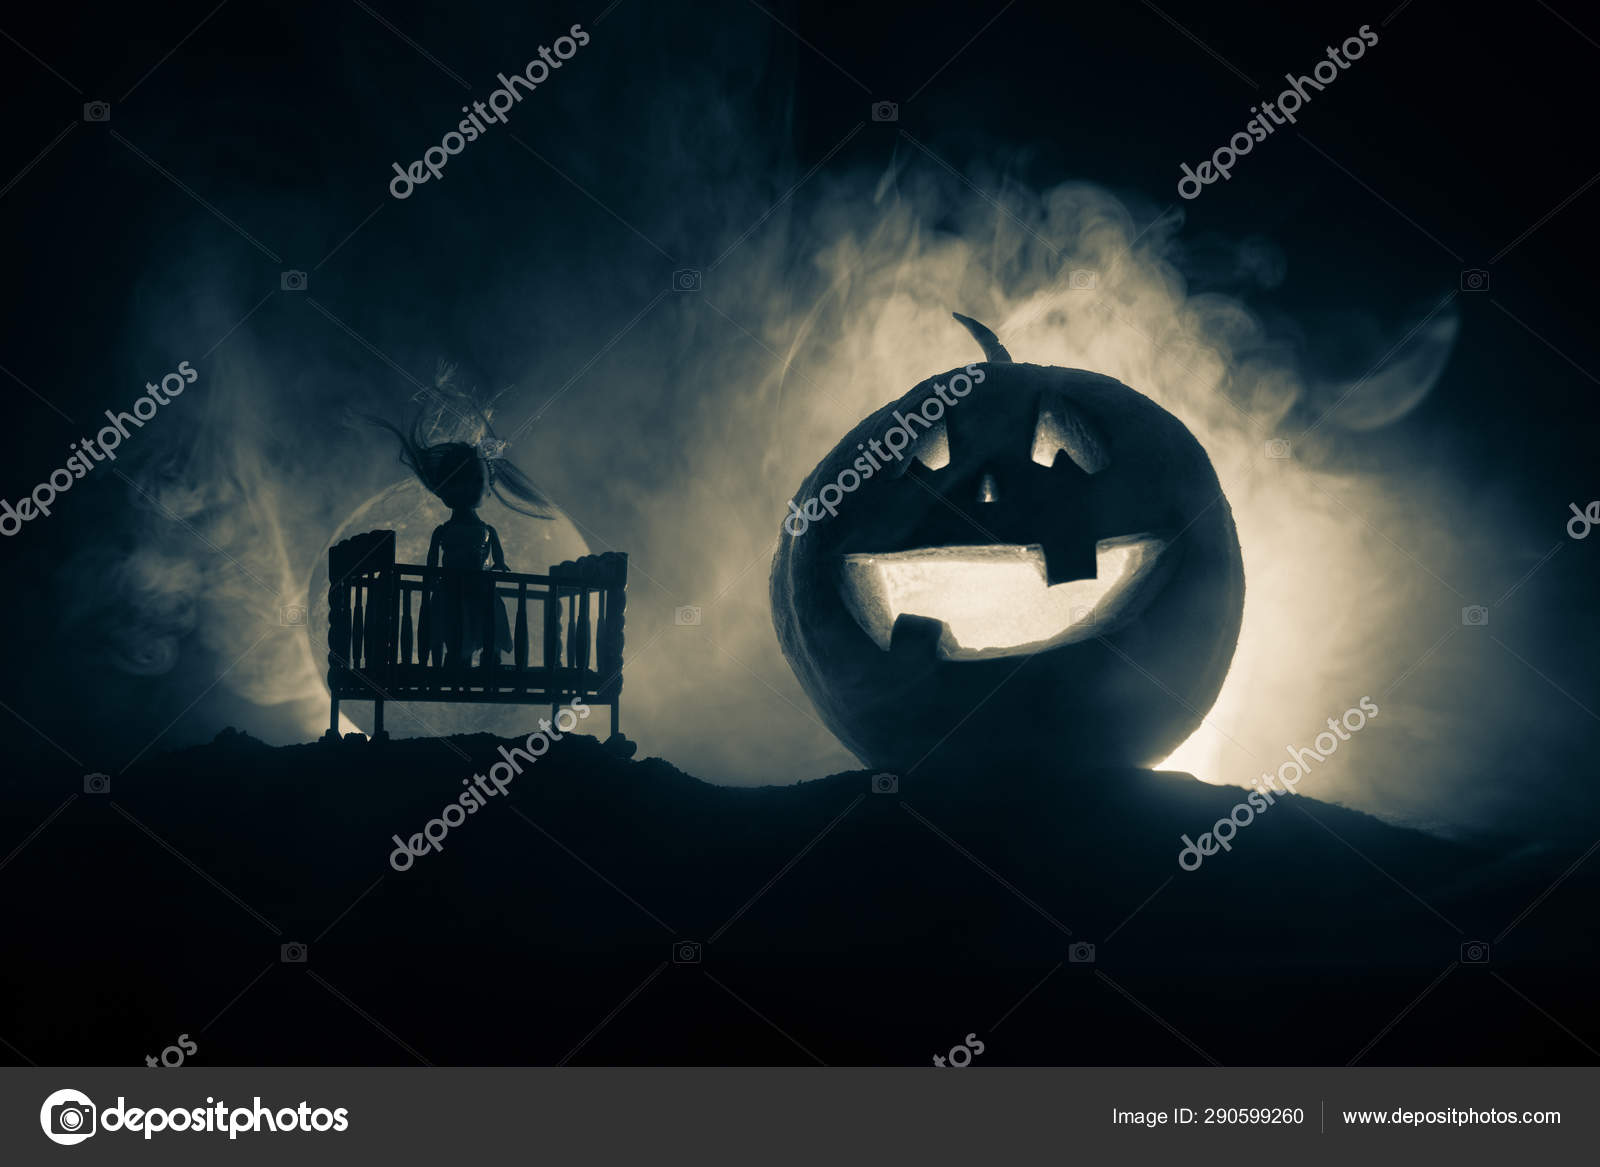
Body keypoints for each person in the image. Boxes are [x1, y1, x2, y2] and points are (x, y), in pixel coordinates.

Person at [367, 408, 554, 666]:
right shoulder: (444, 531)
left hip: (479, 586)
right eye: (459, 481)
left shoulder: (487, 530)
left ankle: (492, 655)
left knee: (490, 615)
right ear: (443, 489)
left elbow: (495, 551)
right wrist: (431, 574)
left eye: (477, 480)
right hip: (452, 587)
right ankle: (457, 656)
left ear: (488, 489)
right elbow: (433, 557)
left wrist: (499, 563)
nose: (469, 487)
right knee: (453, 620)